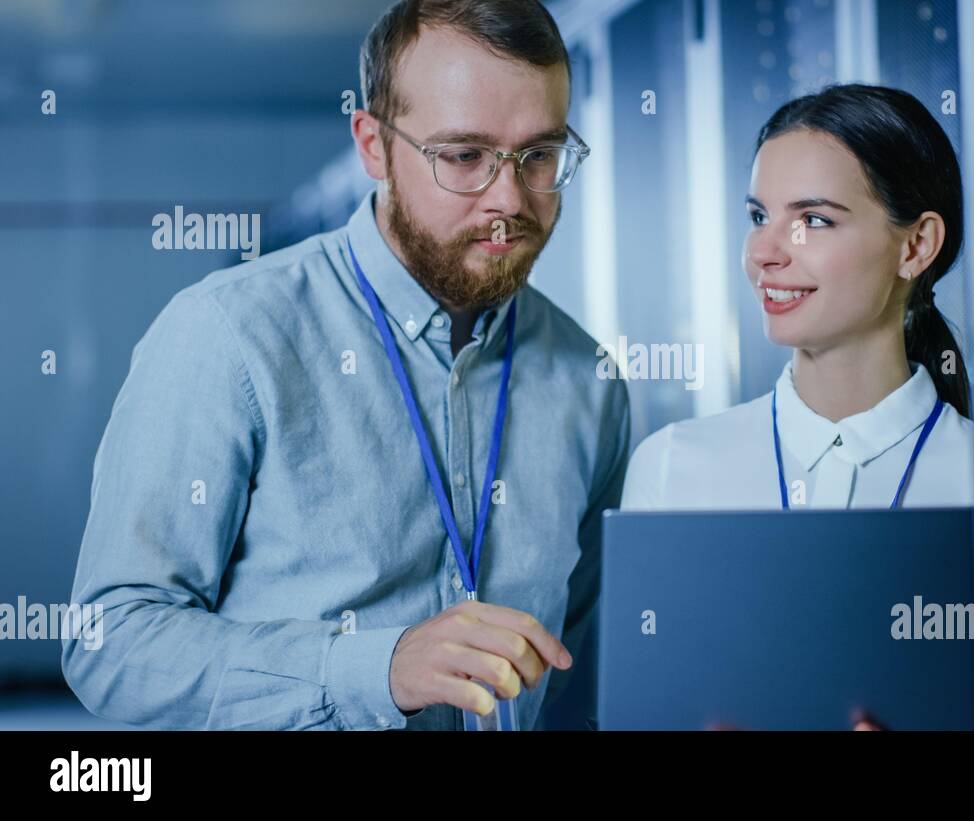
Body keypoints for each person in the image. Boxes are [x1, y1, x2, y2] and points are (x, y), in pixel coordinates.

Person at [62, 0, 629, 731]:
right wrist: (372, 669)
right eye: (463, 157)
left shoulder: (589, 381)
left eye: (540, 155)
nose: (508, 200)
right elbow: (112, 640)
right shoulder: (229, 335)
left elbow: (570, 677)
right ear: (373, 145)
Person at [621, 84, 974, 513]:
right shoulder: (671, 467)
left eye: (813, 219)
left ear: (916, 246)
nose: (761, 253)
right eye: (759, 217)